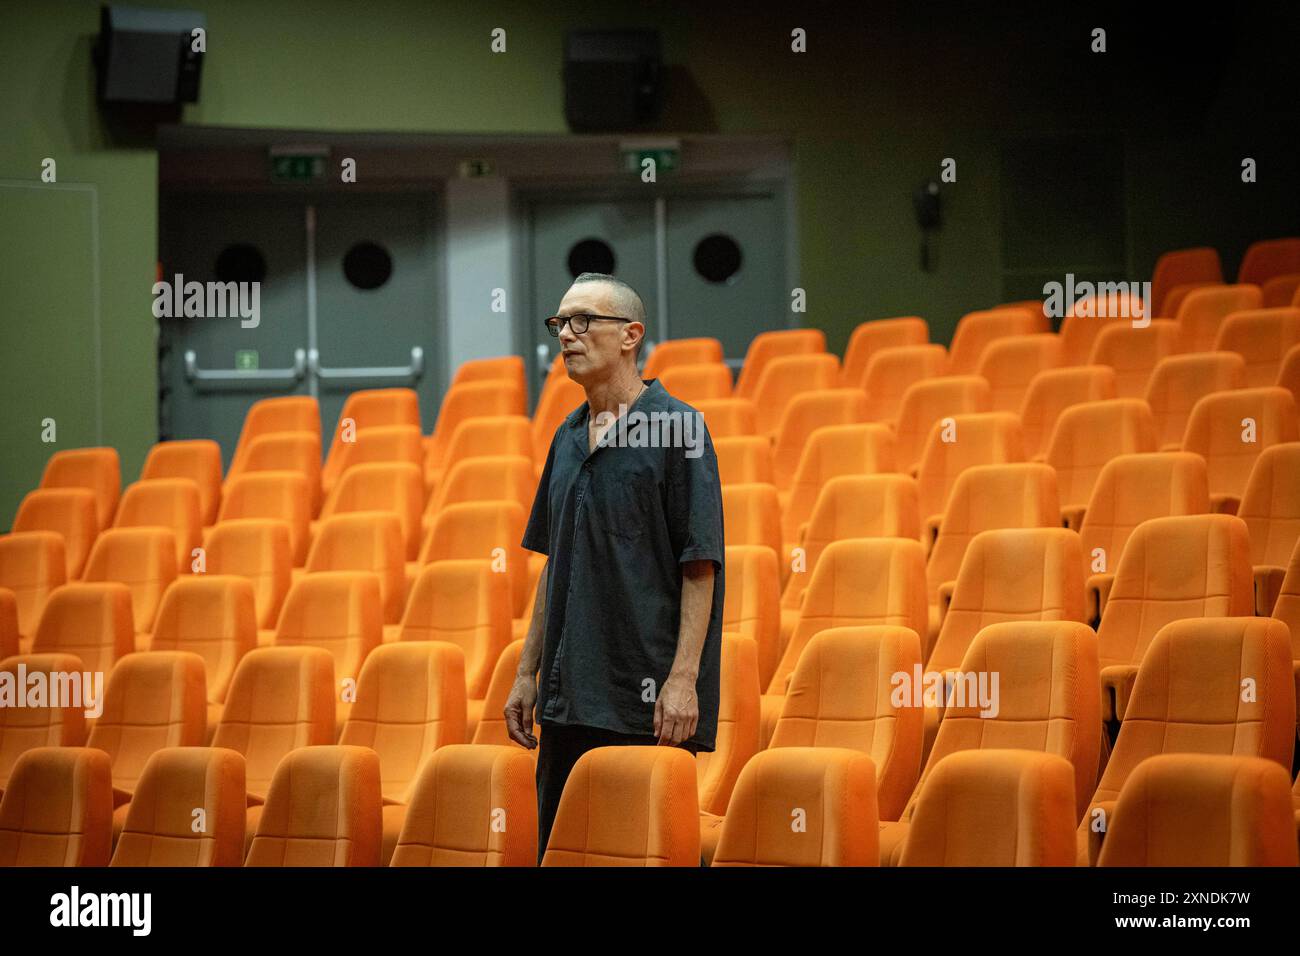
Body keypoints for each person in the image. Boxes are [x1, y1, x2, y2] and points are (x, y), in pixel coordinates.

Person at [503, 272, 725, 864]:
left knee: (634, 852)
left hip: (644, 696)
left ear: (631, 335)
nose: (566, 336)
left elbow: (699, 564)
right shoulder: (567, 435)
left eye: (582, 321)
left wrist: (683, 680)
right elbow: (555, 564)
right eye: (559, 324)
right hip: (568, 694)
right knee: (562, 851)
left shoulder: (681, 429)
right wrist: (528, 672)